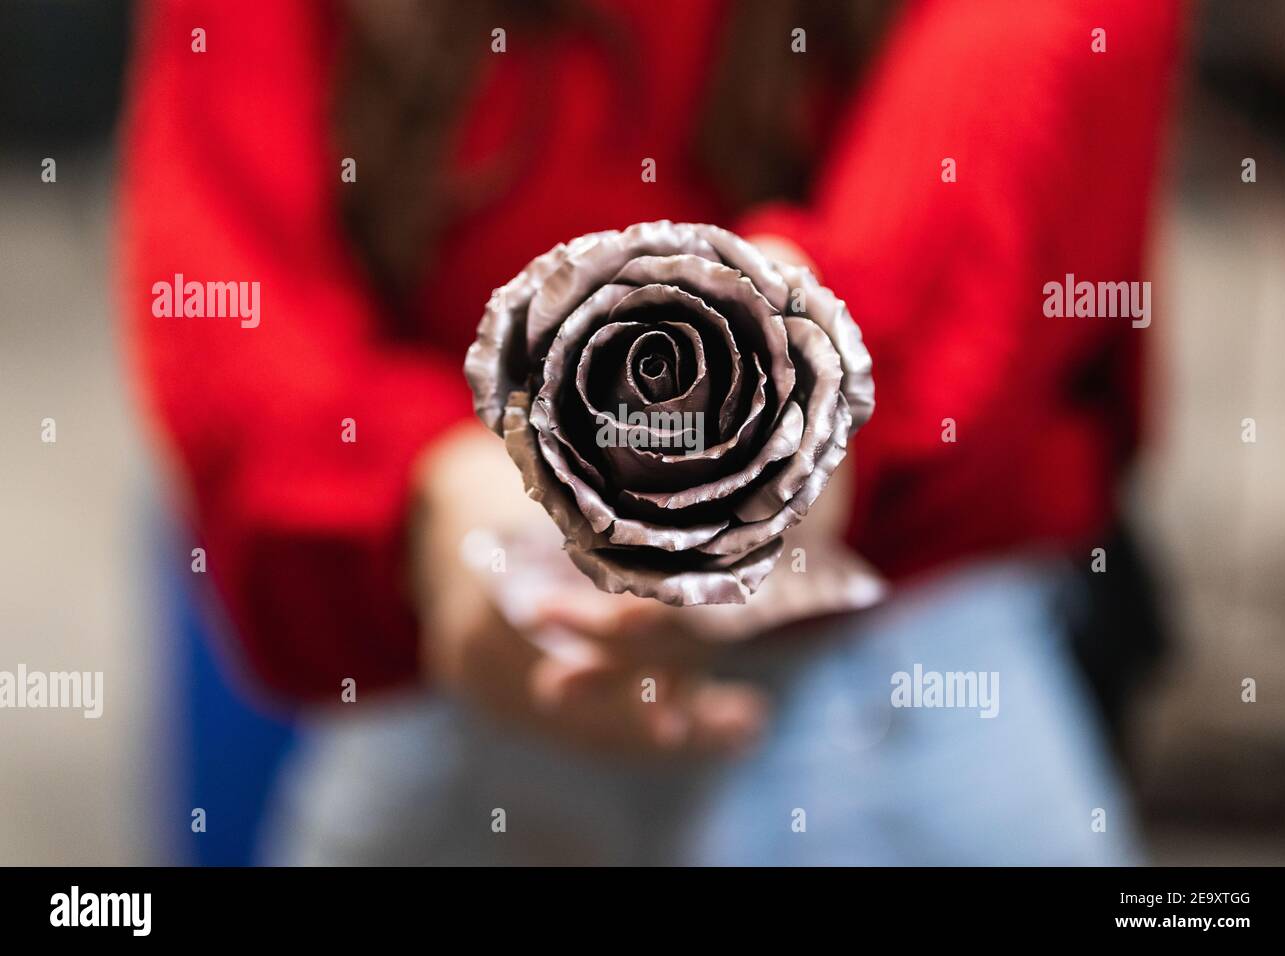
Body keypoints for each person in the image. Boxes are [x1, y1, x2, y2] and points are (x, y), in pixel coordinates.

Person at [122, 0, 1183, 864]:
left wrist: (829, 360)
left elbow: (1033, 69)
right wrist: (428, 493)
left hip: (888, 652)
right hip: (475, 649)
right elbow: (226, 268)